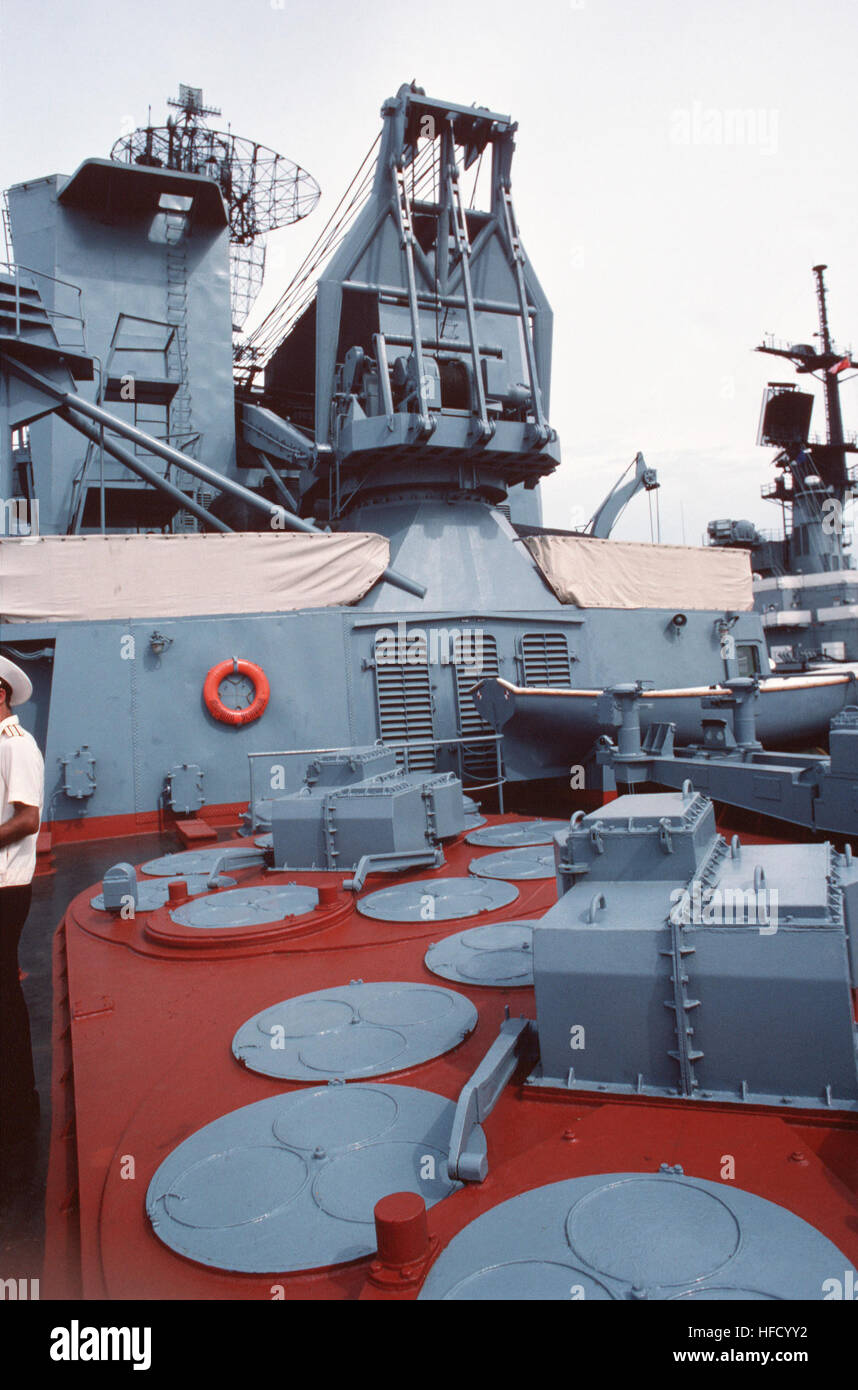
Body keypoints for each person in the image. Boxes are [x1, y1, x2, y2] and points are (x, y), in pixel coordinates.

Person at [0, 654, 44, 1150]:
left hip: (8, 886)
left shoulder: (17, 746)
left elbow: (27, 820)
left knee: (5, 997)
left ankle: (18, 1101)